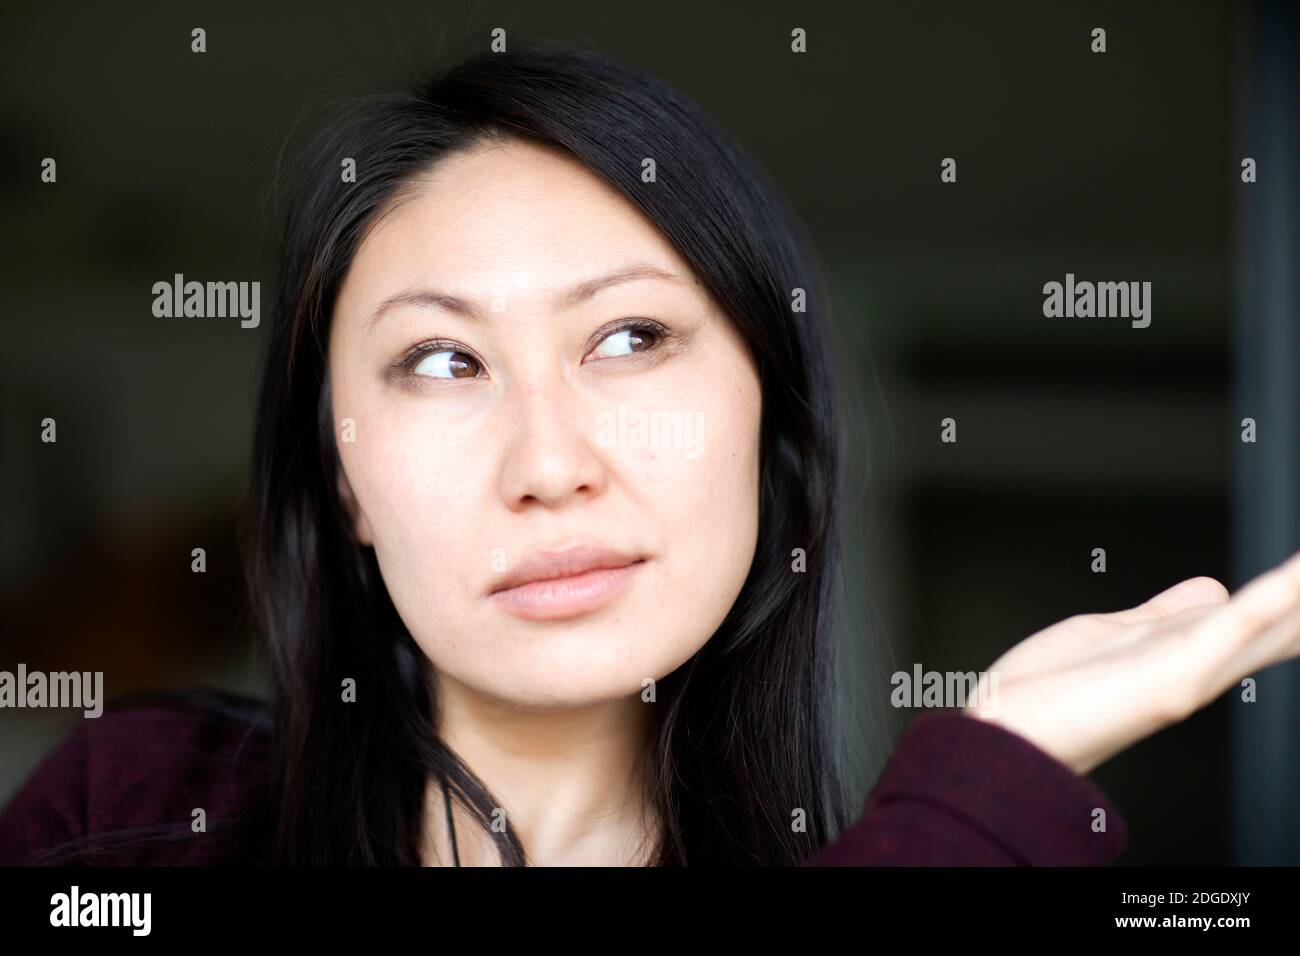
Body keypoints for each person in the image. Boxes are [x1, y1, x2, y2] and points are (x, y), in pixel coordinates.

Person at [2, 41, 1298, 867]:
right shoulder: (131, 817)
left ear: (772, 425)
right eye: (443, 361)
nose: (548, 462)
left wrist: (1005, 759)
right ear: (343, 479)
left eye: (628, 338)